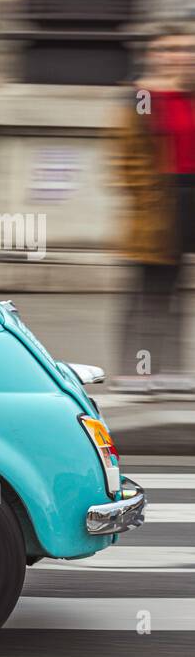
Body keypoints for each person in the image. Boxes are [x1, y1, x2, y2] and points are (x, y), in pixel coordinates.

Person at [112, 25, 195, 392]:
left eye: (187, 48)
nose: (181, 55)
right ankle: (133, 371)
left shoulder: (189, 95)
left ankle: (170, 370)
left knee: (176, 289)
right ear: (154, 54)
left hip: (188, 197)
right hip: (158, 204)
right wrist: (148, 201)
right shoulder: (141, 97)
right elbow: (128, 158)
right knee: (146, 290)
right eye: (171, 48)